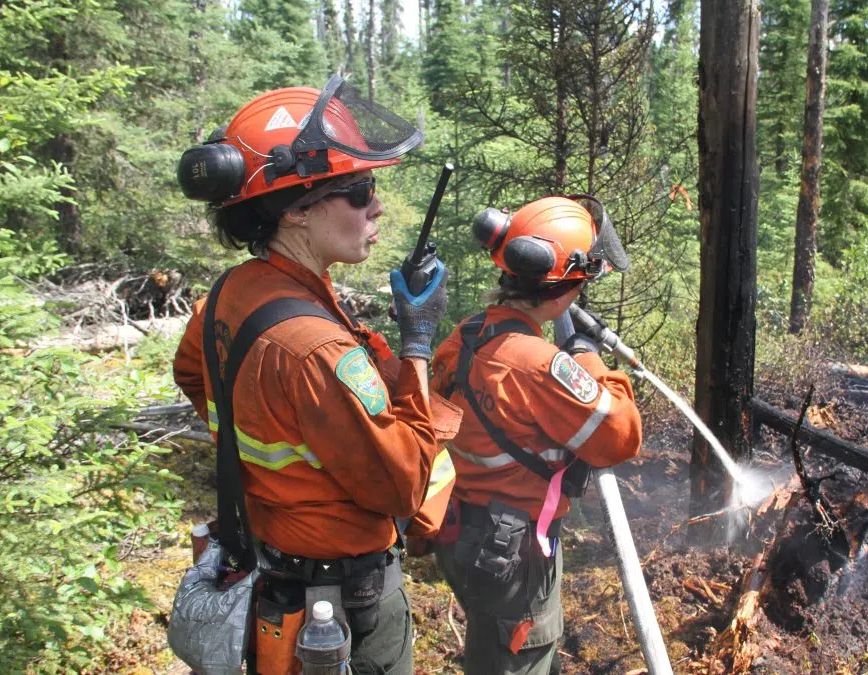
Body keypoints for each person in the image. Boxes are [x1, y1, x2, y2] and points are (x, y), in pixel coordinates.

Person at [172, 76, 460, 674]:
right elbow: (404, 486)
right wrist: (418, 343)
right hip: (340, 600)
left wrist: (275, 465)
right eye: (359, 190)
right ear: (297, 211)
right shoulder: (313, 350)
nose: (377, 206)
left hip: (270, 563)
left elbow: (195, 379)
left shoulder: (228, 294)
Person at [430, 196, 643, 675]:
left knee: (493, 645)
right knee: (519, 653)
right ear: (566, 287)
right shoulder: (541, 366)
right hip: (512, 550)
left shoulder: (464, 336)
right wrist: (585, 355)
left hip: (462, 531)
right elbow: (621, 435)